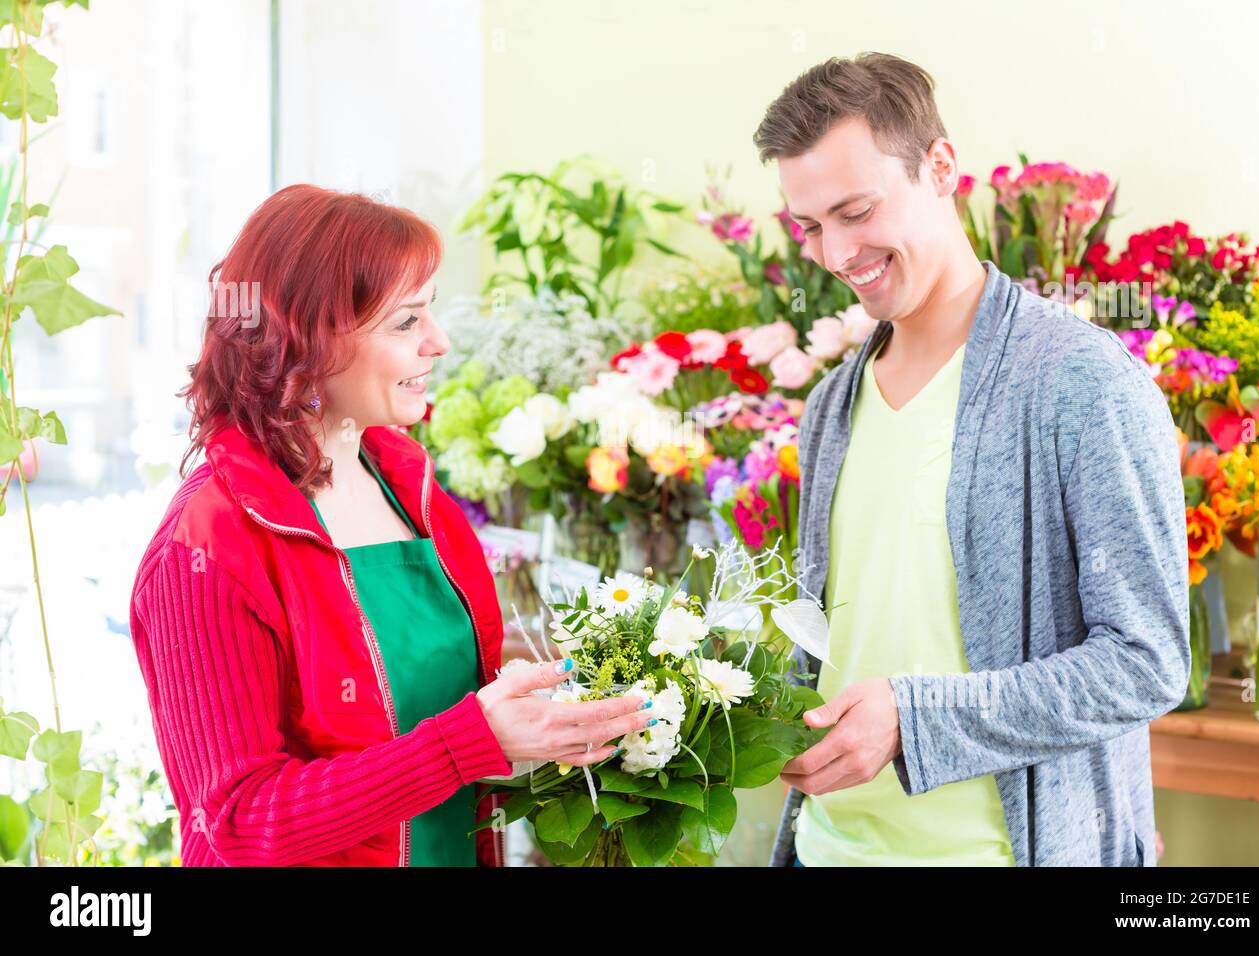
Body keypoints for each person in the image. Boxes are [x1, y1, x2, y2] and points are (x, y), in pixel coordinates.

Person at [128, 184, 655, 866]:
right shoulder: (207, 545)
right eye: (406, 323)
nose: (439, 343)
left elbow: (453, 716)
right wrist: (468, 742)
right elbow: (238, 821)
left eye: (429, 315)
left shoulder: (412, 488)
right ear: (310, 341)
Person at [752, 53, 1189, 866]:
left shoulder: (1079, 383)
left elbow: (1147, 660)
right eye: (809, 227)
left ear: (941, 168)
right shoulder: (829, 409)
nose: (835, 253)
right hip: (826, 849)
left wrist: (914, 721)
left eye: (855, 211)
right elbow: (842, 639)